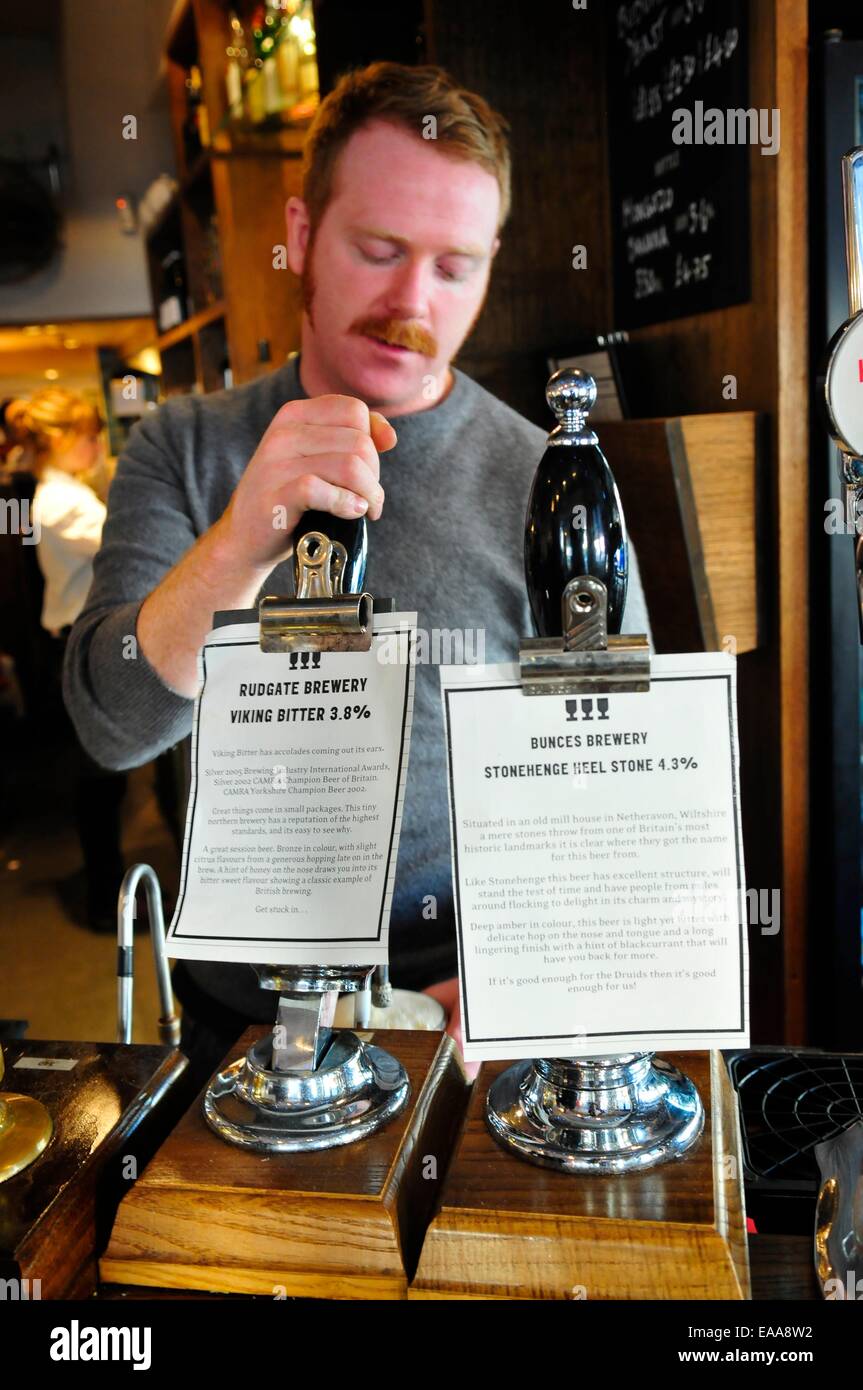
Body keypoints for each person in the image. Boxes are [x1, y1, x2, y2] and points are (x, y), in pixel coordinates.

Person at [63, 62, 651, 1080]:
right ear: (298, 231)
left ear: (492, 262)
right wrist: (242, 539)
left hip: (464, 1005)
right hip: (237, 1019)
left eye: (453, 265)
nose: (410, 301)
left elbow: (610, 770)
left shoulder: (545, 480)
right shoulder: (185, 445)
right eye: (377, 250)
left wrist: (525, 962)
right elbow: (111, 724)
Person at [6, 388, 127, 930]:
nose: (95, 445)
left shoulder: (58, 494)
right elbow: (126, 547)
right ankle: (107, 898)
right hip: (74, 645)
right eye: (88, 436)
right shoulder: (61, 503)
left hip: (67, 640)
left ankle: (108, 889)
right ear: (59, 440)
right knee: (99, 778)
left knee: (99, 777)